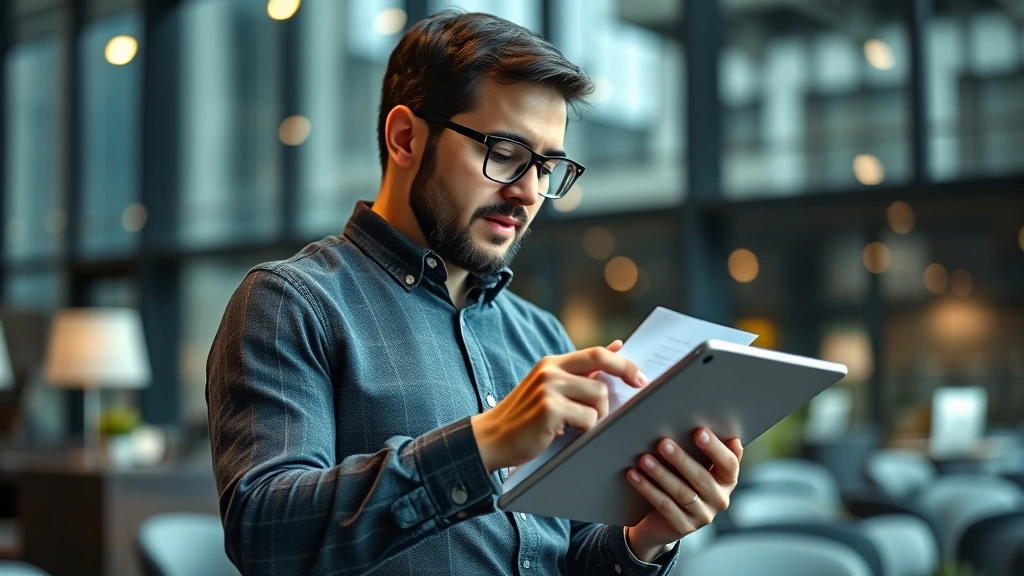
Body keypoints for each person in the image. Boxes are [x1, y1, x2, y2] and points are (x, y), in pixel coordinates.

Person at [207, 10, 743, 576]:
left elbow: (568, 558)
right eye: (506, 153)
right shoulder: (292, 303)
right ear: (406, 138)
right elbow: (264, 536)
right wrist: (484, 443)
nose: (528, 192)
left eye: (547, 166)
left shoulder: (540, 335)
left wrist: (644, 539)